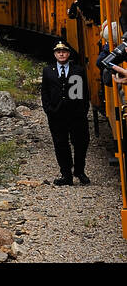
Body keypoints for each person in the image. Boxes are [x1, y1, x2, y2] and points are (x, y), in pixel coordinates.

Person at [41, 41, 90, 185]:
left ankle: (80, 171)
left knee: (81, 143)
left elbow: (83, 92)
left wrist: (83, 110)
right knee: (60, 144)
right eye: (58, 52)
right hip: (56, 113)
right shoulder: (48, 71)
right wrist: (48, 109)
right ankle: (66, 175)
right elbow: (45, 91)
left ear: (68, 53)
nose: (61, 54)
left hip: (76, 114)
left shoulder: (78, 70)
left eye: (64, 51)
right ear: (55, 54)